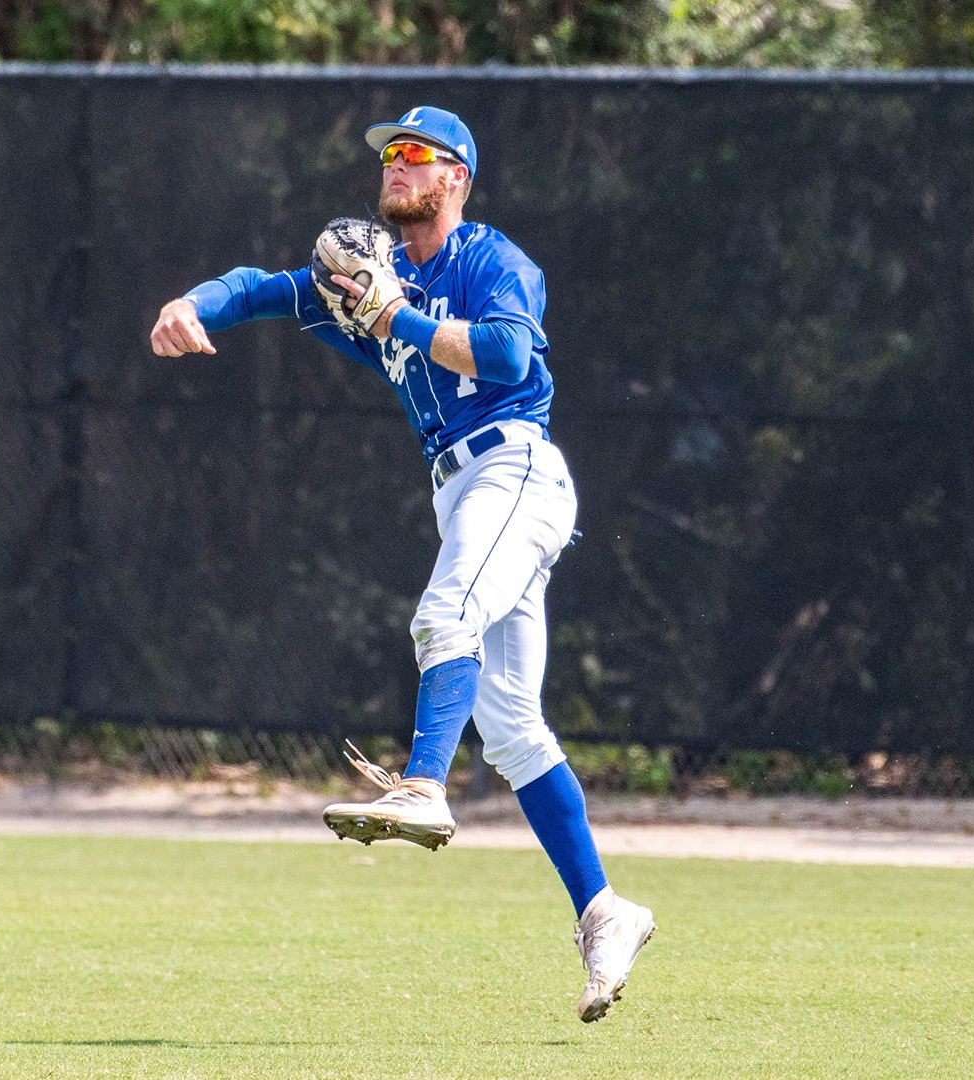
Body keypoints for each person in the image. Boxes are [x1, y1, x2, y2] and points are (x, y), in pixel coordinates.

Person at [148, 106, 655, 1022]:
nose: (394, 164)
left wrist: (400, 317)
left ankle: (425, 784)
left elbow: (504, 354)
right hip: (461, 490)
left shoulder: (491, 261)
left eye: (415, 153)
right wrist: (193, 302)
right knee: (509, 729)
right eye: (388, 152)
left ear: (455, 177)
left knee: (443, 614)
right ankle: (605, 911)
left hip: (516, 467)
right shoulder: (367, 275)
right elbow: (263, 288)